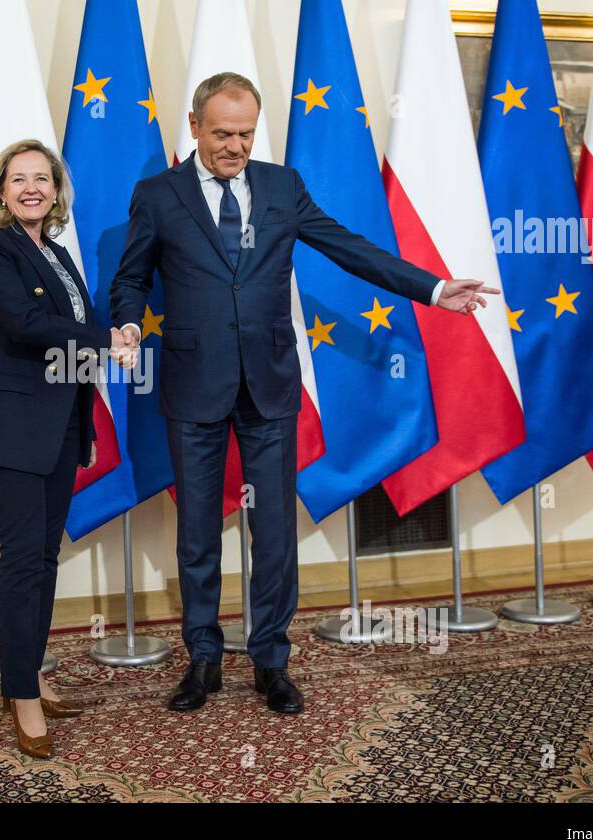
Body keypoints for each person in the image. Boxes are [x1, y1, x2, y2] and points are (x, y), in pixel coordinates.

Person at [109, 73, 496, 714]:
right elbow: (131, 278)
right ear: (196, 125)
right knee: (198, 534)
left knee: (275, 531)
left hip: (269, 384)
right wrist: (125, 320)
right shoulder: (158, 194)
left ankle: (270, 661)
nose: (235, 146)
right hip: (194, 385)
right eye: (223, 133)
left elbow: (348, 248)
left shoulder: (281, 187)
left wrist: (431, 288)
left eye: (246, 133)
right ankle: (202, 660)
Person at [0, 139, 135, 758]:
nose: (32, 188)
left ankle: (31, 674)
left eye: (43, 178)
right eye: (20, 179)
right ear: (1, 190)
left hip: (61, 425)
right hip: (11, 429)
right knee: (23, 562)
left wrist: (85, 428)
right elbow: (25, 326)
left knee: (44, 557)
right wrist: (106, 337)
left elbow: (68, 351)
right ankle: (23, 698)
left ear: (58, 190)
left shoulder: (59, 254)